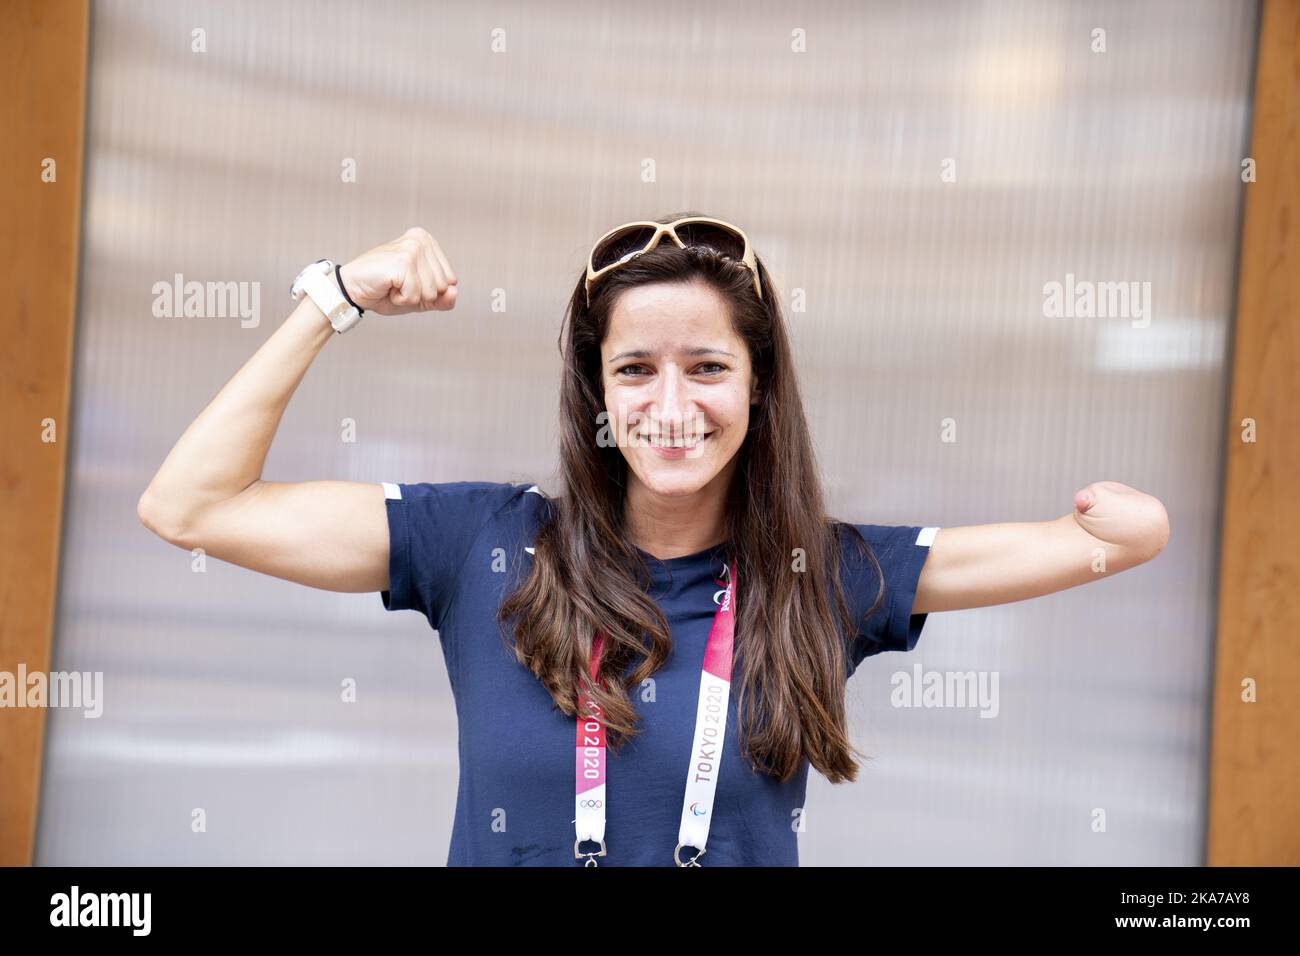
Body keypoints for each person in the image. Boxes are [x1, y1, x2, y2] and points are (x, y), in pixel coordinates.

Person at [137, 211, 1171, 867]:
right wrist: (335, 297)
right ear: (596, 390)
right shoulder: (479, 542)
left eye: (707, 367)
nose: (670, 405)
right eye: (634, 369)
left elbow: (1080, 545)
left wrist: (1130, 533)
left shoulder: (822, 574)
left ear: (760, 389)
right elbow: (191, 505)